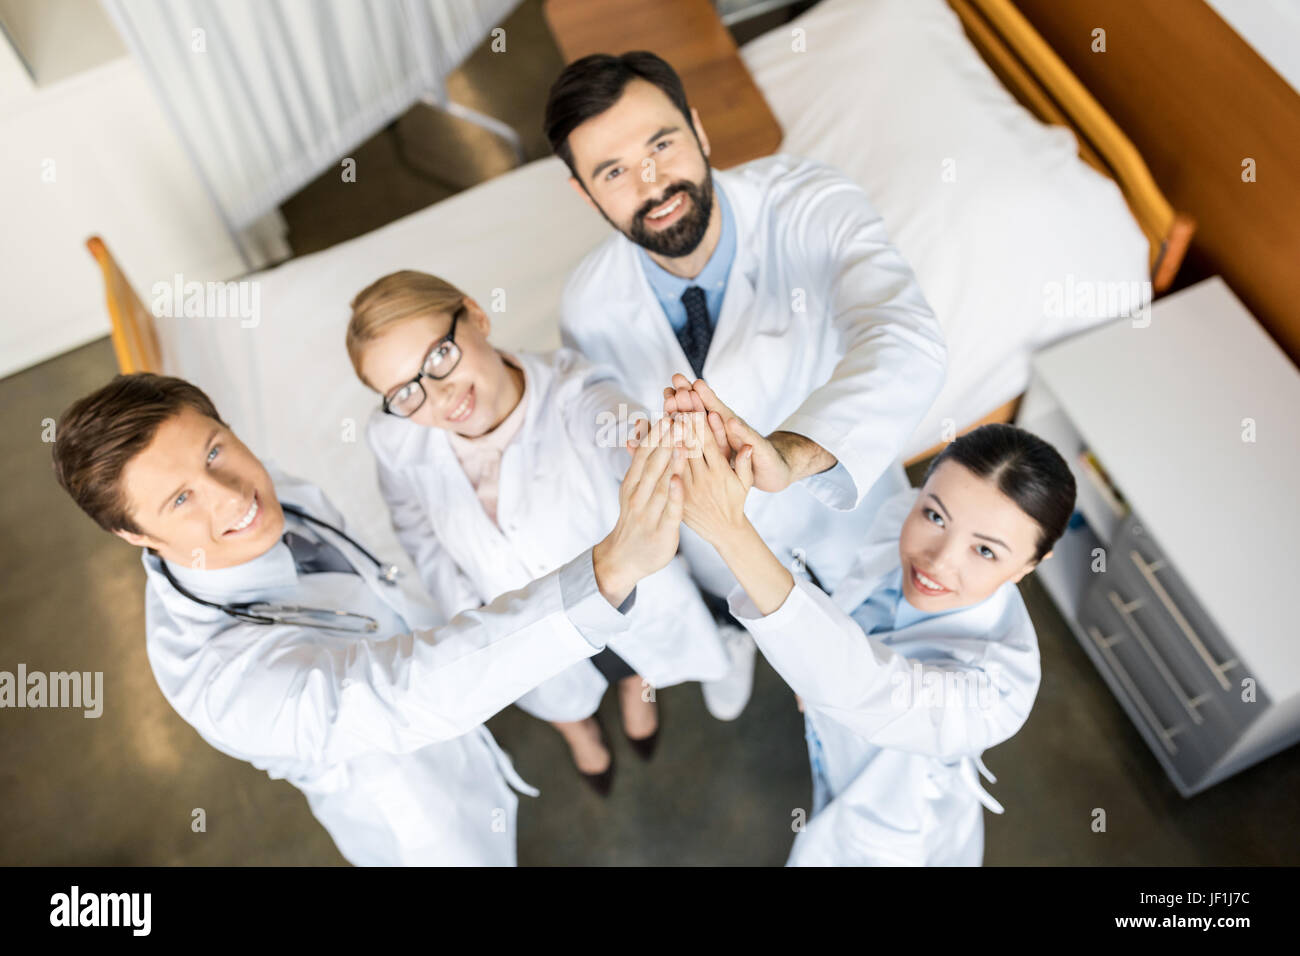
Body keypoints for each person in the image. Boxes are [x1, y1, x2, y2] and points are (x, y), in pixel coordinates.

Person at [51, 373, 687, 865]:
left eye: (215, 451)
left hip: (448, 704)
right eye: (180, 499)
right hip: (414, 808)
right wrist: (605, 572)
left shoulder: (263, 490)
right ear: (132, 533)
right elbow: (401, 693)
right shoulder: (223, 684)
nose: (234, 494)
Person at [546, 52, 948, 719]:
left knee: (857, 682)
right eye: (613, 172)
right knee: (746, 617)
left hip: (843, 518)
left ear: (699, 131)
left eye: (662, 144)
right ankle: (734, 642)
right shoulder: (589, 303)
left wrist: (790, 453)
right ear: (584, 194)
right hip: (713, 545)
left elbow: (904, 339)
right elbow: (602, 407)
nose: (653, 182)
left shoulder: (810, 203)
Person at [346, 271, 729, 792]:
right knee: (552, 688)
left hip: (625, 602)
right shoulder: (395, 439)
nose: (438, 396)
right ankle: (580, 733)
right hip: (511, 619)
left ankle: (638, 691)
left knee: (634, 660)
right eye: (404, 392)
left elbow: (617, 422)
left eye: (439, 357)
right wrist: (468, 613)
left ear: (476, 316)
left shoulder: (574, 389)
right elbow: (416, 529)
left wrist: (649, 441)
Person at [674, 409, 1075, 865]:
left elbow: (865, 686)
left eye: (985, 550)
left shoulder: (999, 689)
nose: (937, 562)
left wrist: (729, 531)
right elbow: (847, 615)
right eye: (936, 515)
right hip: (836, 747)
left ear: (1029, 565)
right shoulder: (900, 514)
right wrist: (815, 682)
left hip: (892, 832)